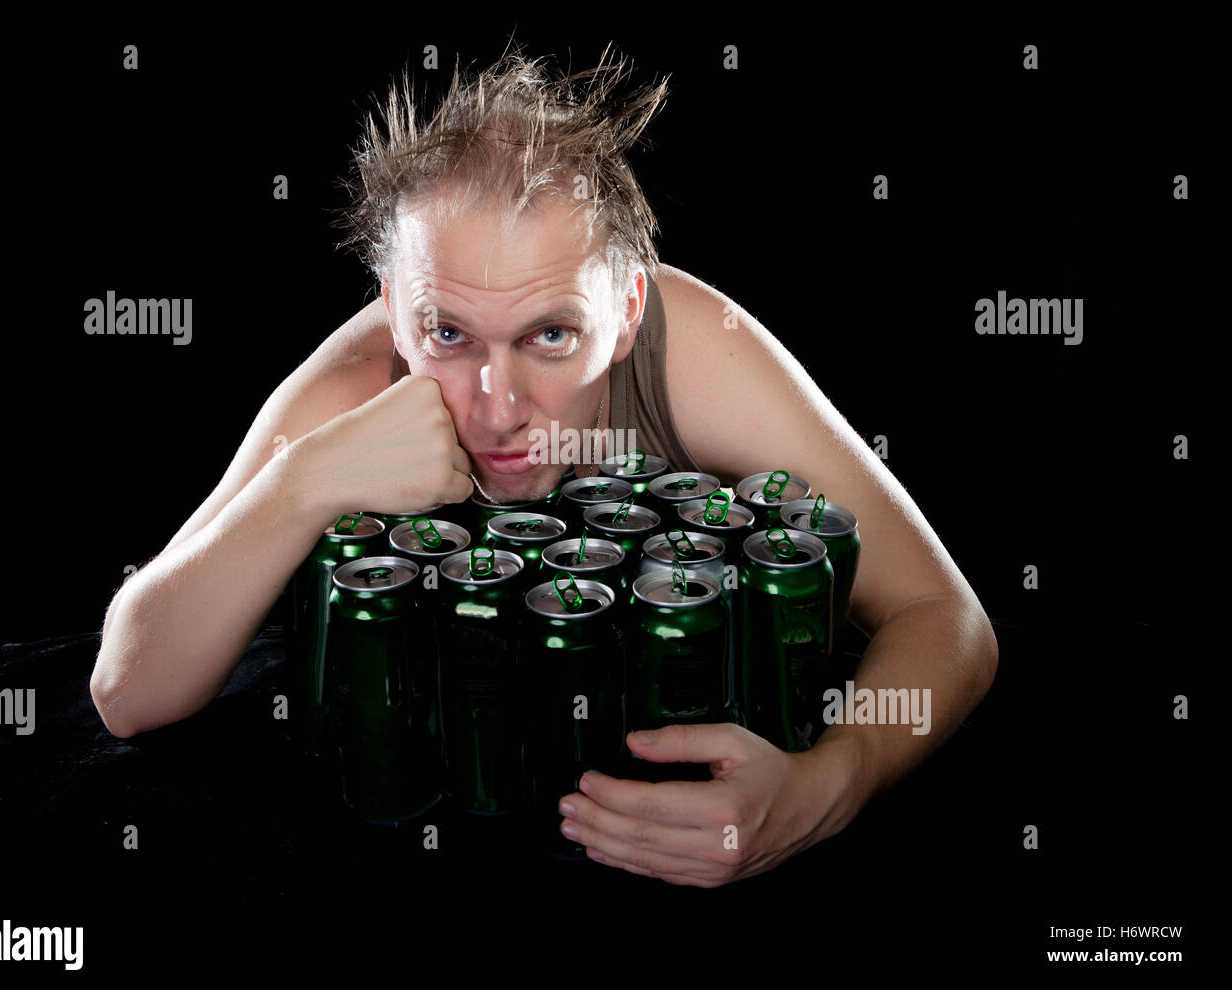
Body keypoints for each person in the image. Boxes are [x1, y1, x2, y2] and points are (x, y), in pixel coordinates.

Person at [90, 44, 998, 887]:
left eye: (552, 336)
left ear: (629, 309)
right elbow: (129, 690)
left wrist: (829, 785)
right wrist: (301, 484)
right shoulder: (349, 387)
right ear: (392, 309)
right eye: (445, 334)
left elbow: (945, 616)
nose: (496, 405)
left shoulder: (697, 349)